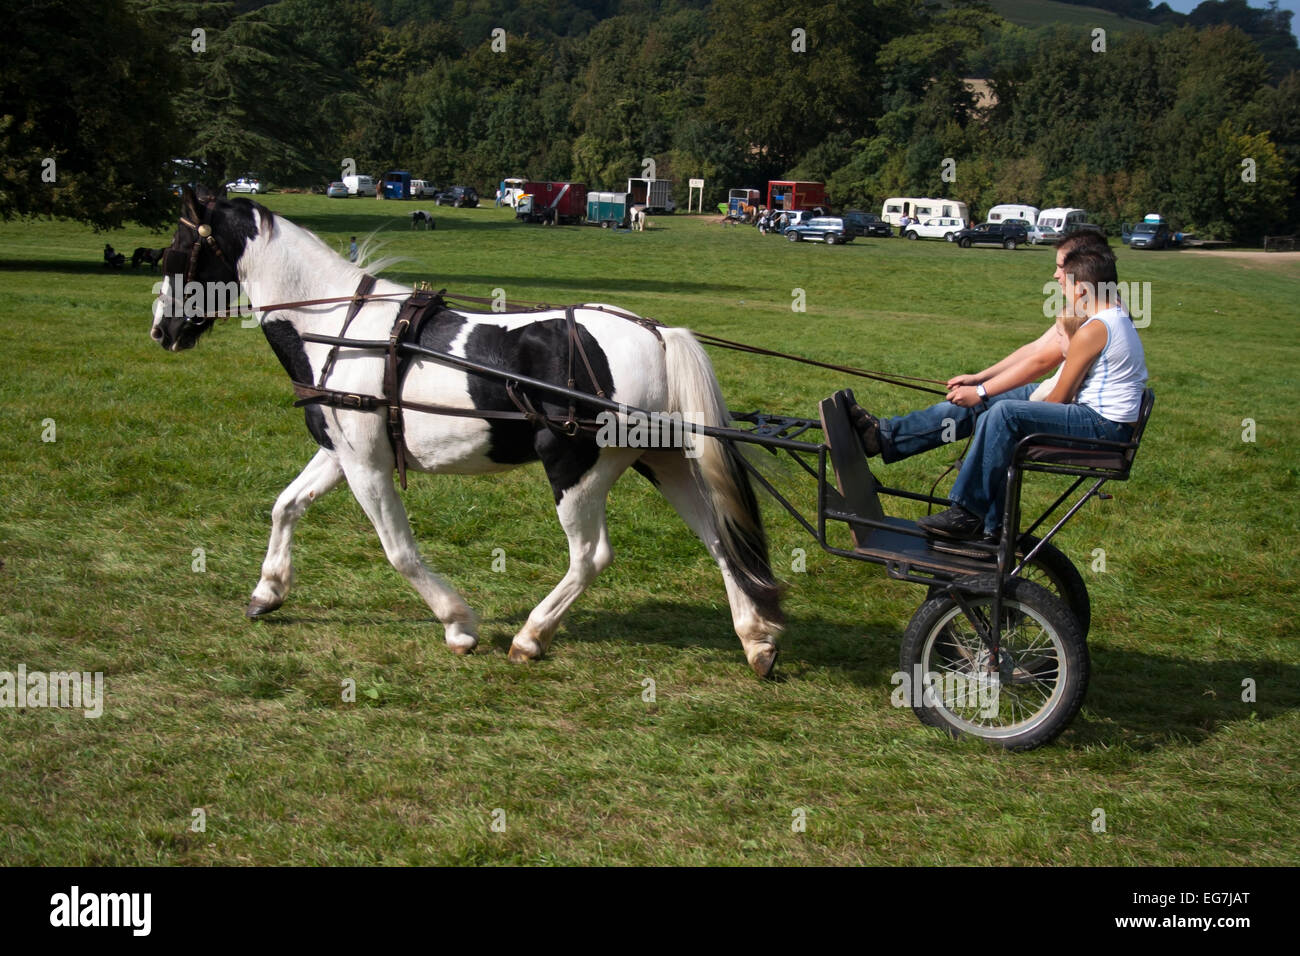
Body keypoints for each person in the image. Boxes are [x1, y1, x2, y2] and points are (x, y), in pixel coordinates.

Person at [853, 243, 1148, 541]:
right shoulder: (1112, 317)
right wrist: (982, 385)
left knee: (1005, 414)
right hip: (1103, 422)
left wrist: (986, 393)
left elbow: (1058, 398)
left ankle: (969, 512)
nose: (1060, 287)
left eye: (1065, 280)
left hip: (1103, 428)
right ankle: (984, 519)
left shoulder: (1093, 329)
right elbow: (1048, 369)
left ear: (1082, 289)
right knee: (999, 408)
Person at [849, 230, 1114, 465]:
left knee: (984, 409)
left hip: (1071, 411)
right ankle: (887, 436)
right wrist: (980, 378)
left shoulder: (1091, 316)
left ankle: (888, 439)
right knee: (975, 406)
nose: (1055, 274)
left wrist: (981, 391)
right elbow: (1035, 349)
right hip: (1058, 397)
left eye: (1060, 266)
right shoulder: (1093, 304)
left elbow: (1041, 361)